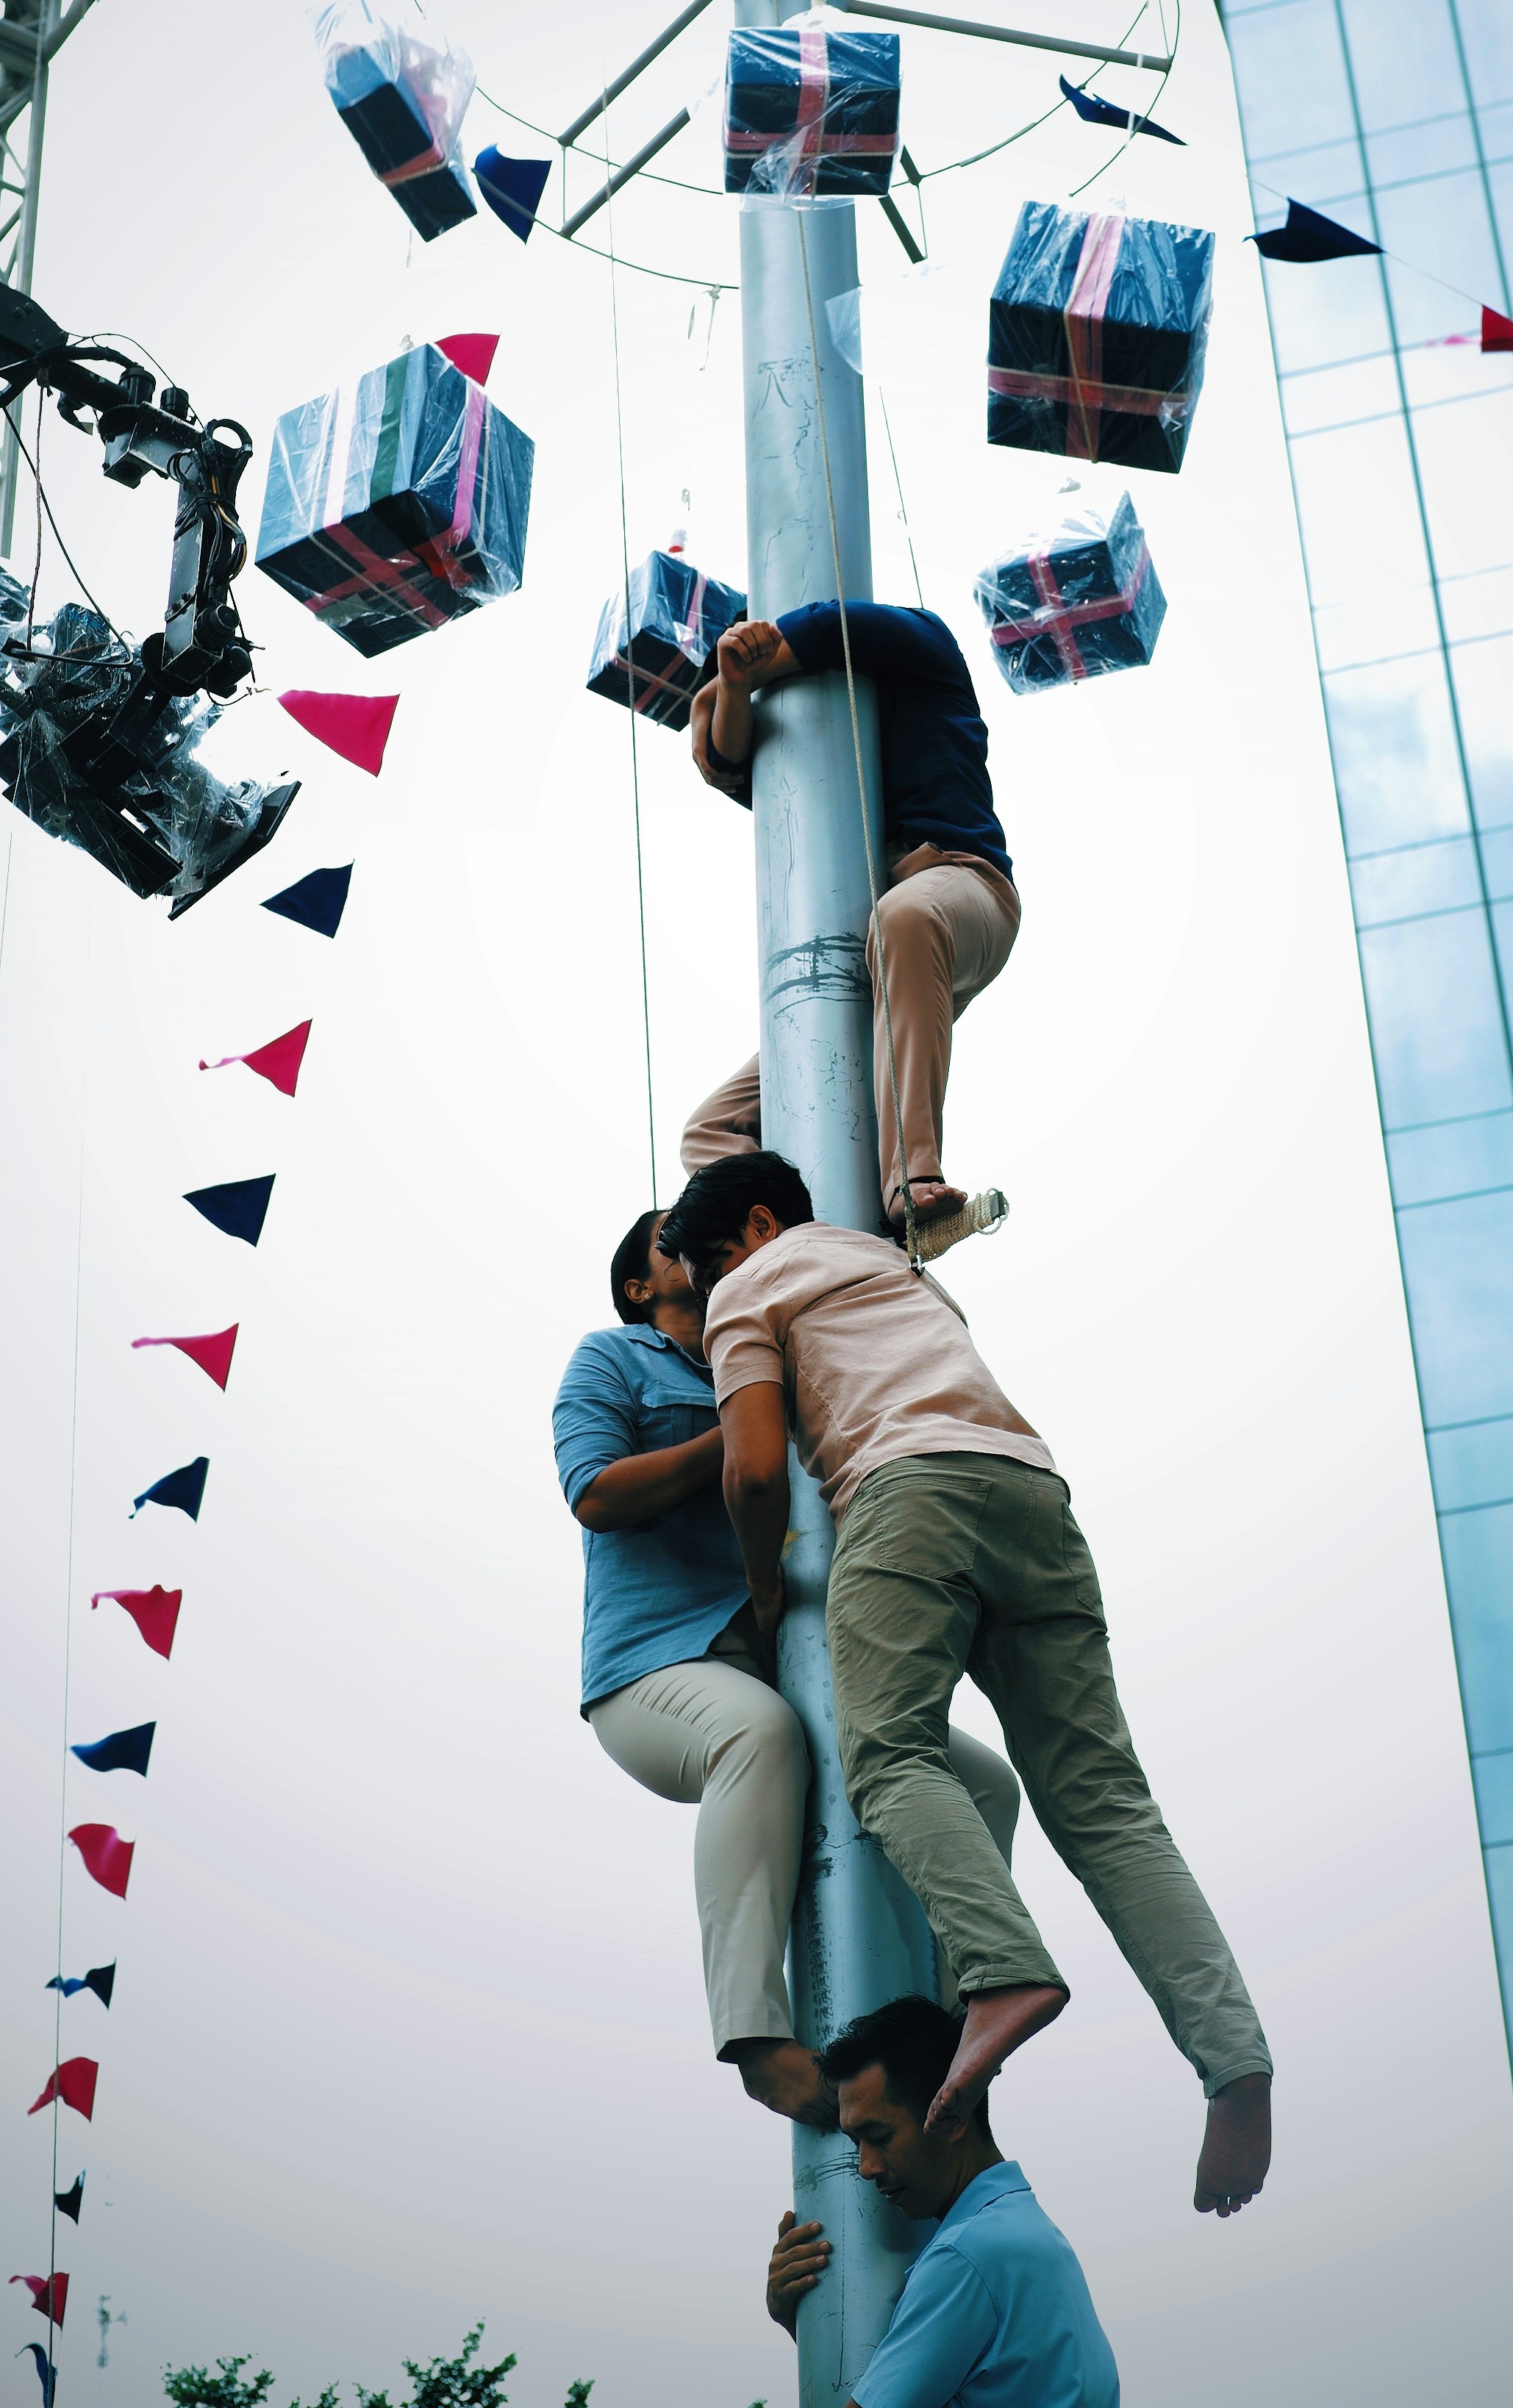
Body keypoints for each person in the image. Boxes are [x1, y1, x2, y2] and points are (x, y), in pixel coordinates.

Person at [662, 1150, 1274, 2215]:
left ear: (756, 1226)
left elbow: (755, 1468)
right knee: (1109, 1810)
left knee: (887, 1757)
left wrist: (764, 1586)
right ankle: (1234, 2060)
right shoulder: (889, 1268)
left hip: (904, 1495)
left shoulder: (750, 1289)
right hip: (1030, 1488)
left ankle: (1001, 1973)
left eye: (710, 1261)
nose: (709, 1289)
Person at [551, 1206, 1020, 2128]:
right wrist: (738, 1437)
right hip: (655, 1670)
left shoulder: (772, 1354)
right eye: (665, 1239)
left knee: (984, 1784)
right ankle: (756, 2038)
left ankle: (961, 2018)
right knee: (753, 1736)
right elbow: (594, 1492)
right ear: (640, 1286)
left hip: (791, 1674)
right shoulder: (611, 1358)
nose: (693, 1240)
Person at [685, 603, 1016, 1260]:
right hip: (868, 959)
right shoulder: (801, 751)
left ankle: (913, 1183)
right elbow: (718, 753)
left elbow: (807, 634)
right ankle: (813, 1251)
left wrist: (739, 677)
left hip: (961, 889)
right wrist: (728, 681)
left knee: (906, 916)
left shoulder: (913, 638)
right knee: (711, 1131)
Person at [765, 1992, 1119, 2408]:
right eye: (856, 2144)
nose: (866, 2167)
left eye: (879, 2137)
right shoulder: (1022, 2229)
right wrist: (804, 2324)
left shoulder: (967, 2254)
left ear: (952, 2117)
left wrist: (794, 2319)